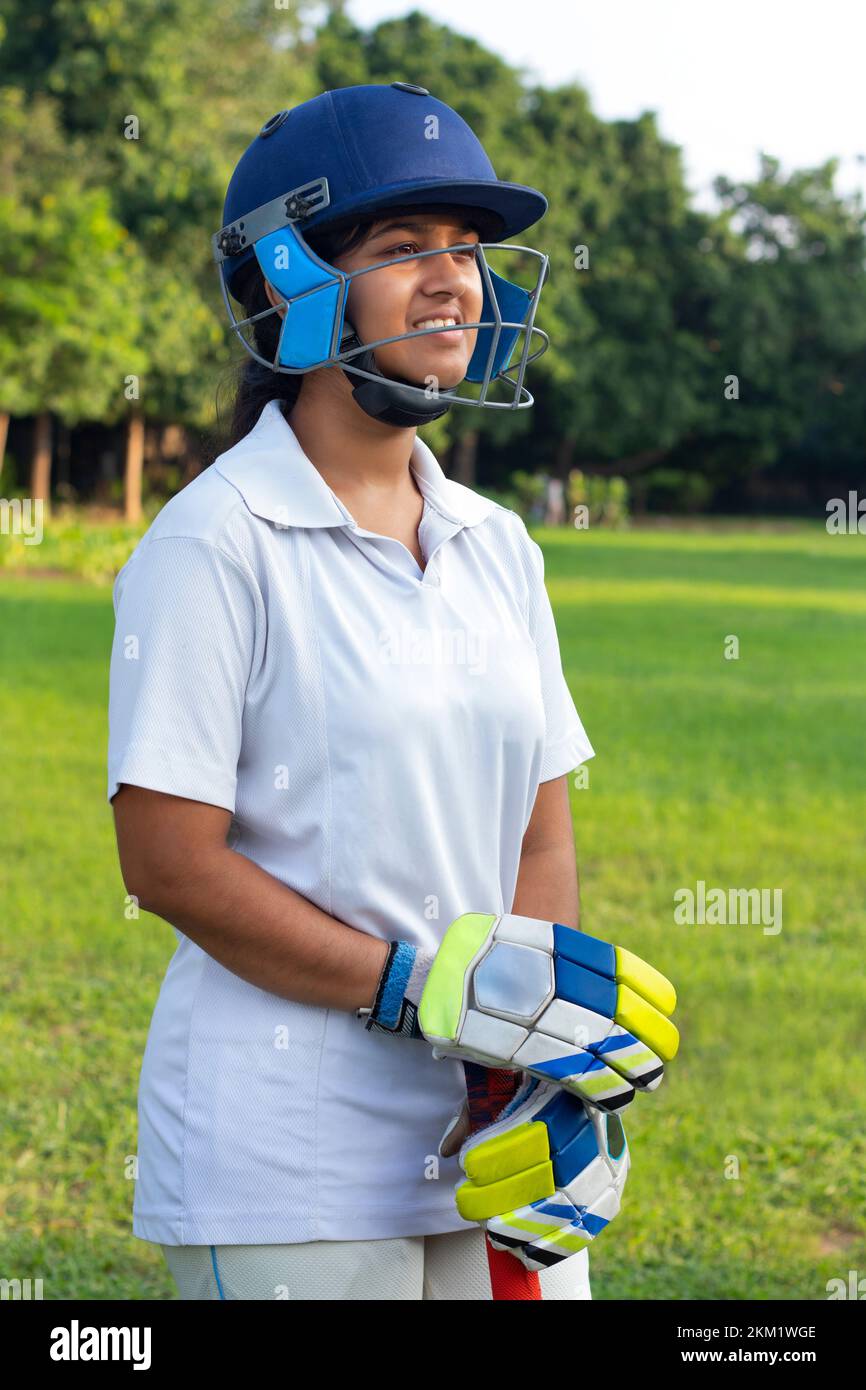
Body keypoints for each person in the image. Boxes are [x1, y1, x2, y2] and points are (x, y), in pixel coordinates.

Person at [108, 83, 597, 1300]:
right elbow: (167, 861)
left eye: (465, 249)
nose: (453, 280)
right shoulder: (211, 541)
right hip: (286, 1157)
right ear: (291, 280)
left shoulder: (500, 545)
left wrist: (536, 1068)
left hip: (486, 1147)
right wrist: (415, 989)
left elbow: (537, 832)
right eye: (401, 250)